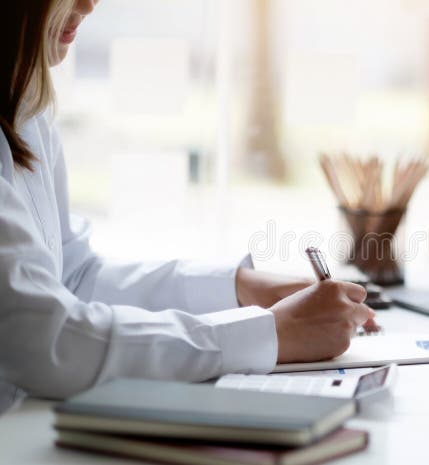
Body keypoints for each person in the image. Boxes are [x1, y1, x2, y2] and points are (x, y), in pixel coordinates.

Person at [0, 0, 377, 404]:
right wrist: (271, 333)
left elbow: (72, 280)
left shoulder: (26, 106)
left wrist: (241, 288)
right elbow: (44, 338)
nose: (90, 4)